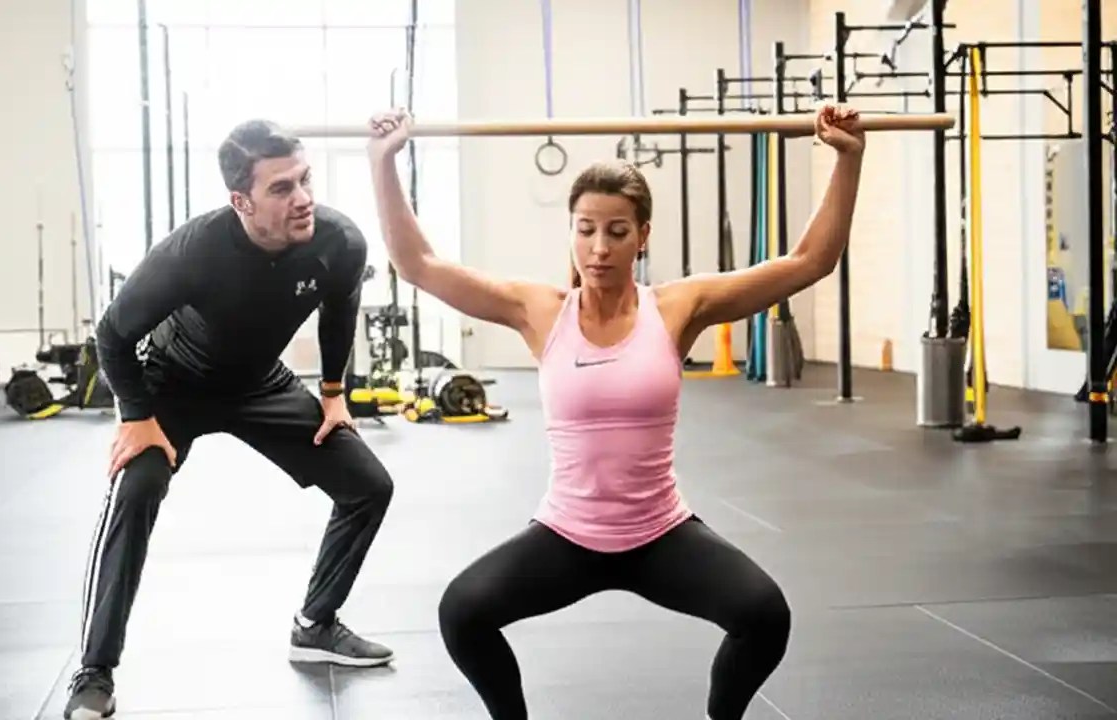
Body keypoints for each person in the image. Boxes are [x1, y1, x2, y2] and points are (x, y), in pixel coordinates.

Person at [364, 105, 865, 720]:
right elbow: (419, 266)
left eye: (617, 231)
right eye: (585, 229)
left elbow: (809, 262)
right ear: (570, 231)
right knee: (462, 612)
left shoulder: (678, 307)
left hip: (659, 533)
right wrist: (383, 163)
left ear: (643, 234)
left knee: (764, 615)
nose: (598, 249)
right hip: (568, 535)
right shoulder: (540, 310)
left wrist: (847, 156)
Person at [64, 119, 396, 720]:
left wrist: (332, 392)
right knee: (134, 492)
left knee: (369, 486)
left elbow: (340, 307)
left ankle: (315, 624)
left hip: (260, 383)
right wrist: (136, 416)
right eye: (281, 189)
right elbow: (111, 333)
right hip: (173, 385)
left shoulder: (338, 241)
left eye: (305, 179)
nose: (302, 198)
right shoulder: (193, 252)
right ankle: (94, 672)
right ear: (241, 201)